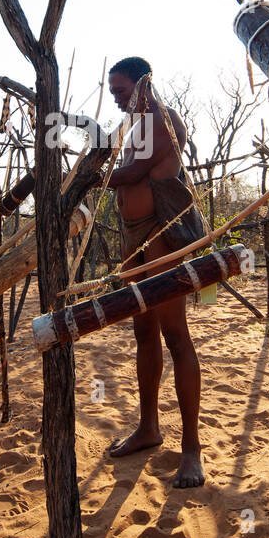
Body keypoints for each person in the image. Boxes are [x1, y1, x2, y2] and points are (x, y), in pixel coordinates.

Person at [104, 57, 207, 488]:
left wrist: (89, 174)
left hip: (161, 238)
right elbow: (125, 177)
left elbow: (132, 174)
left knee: (175, 336)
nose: (116, 99)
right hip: (132, 239)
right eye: (112, 92)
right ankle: (148, 428)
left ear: (143, 84)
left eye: (122, 90)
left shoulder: (162, 122)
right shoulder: (133, 128)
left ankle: (192, 450)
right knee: (143, 335)